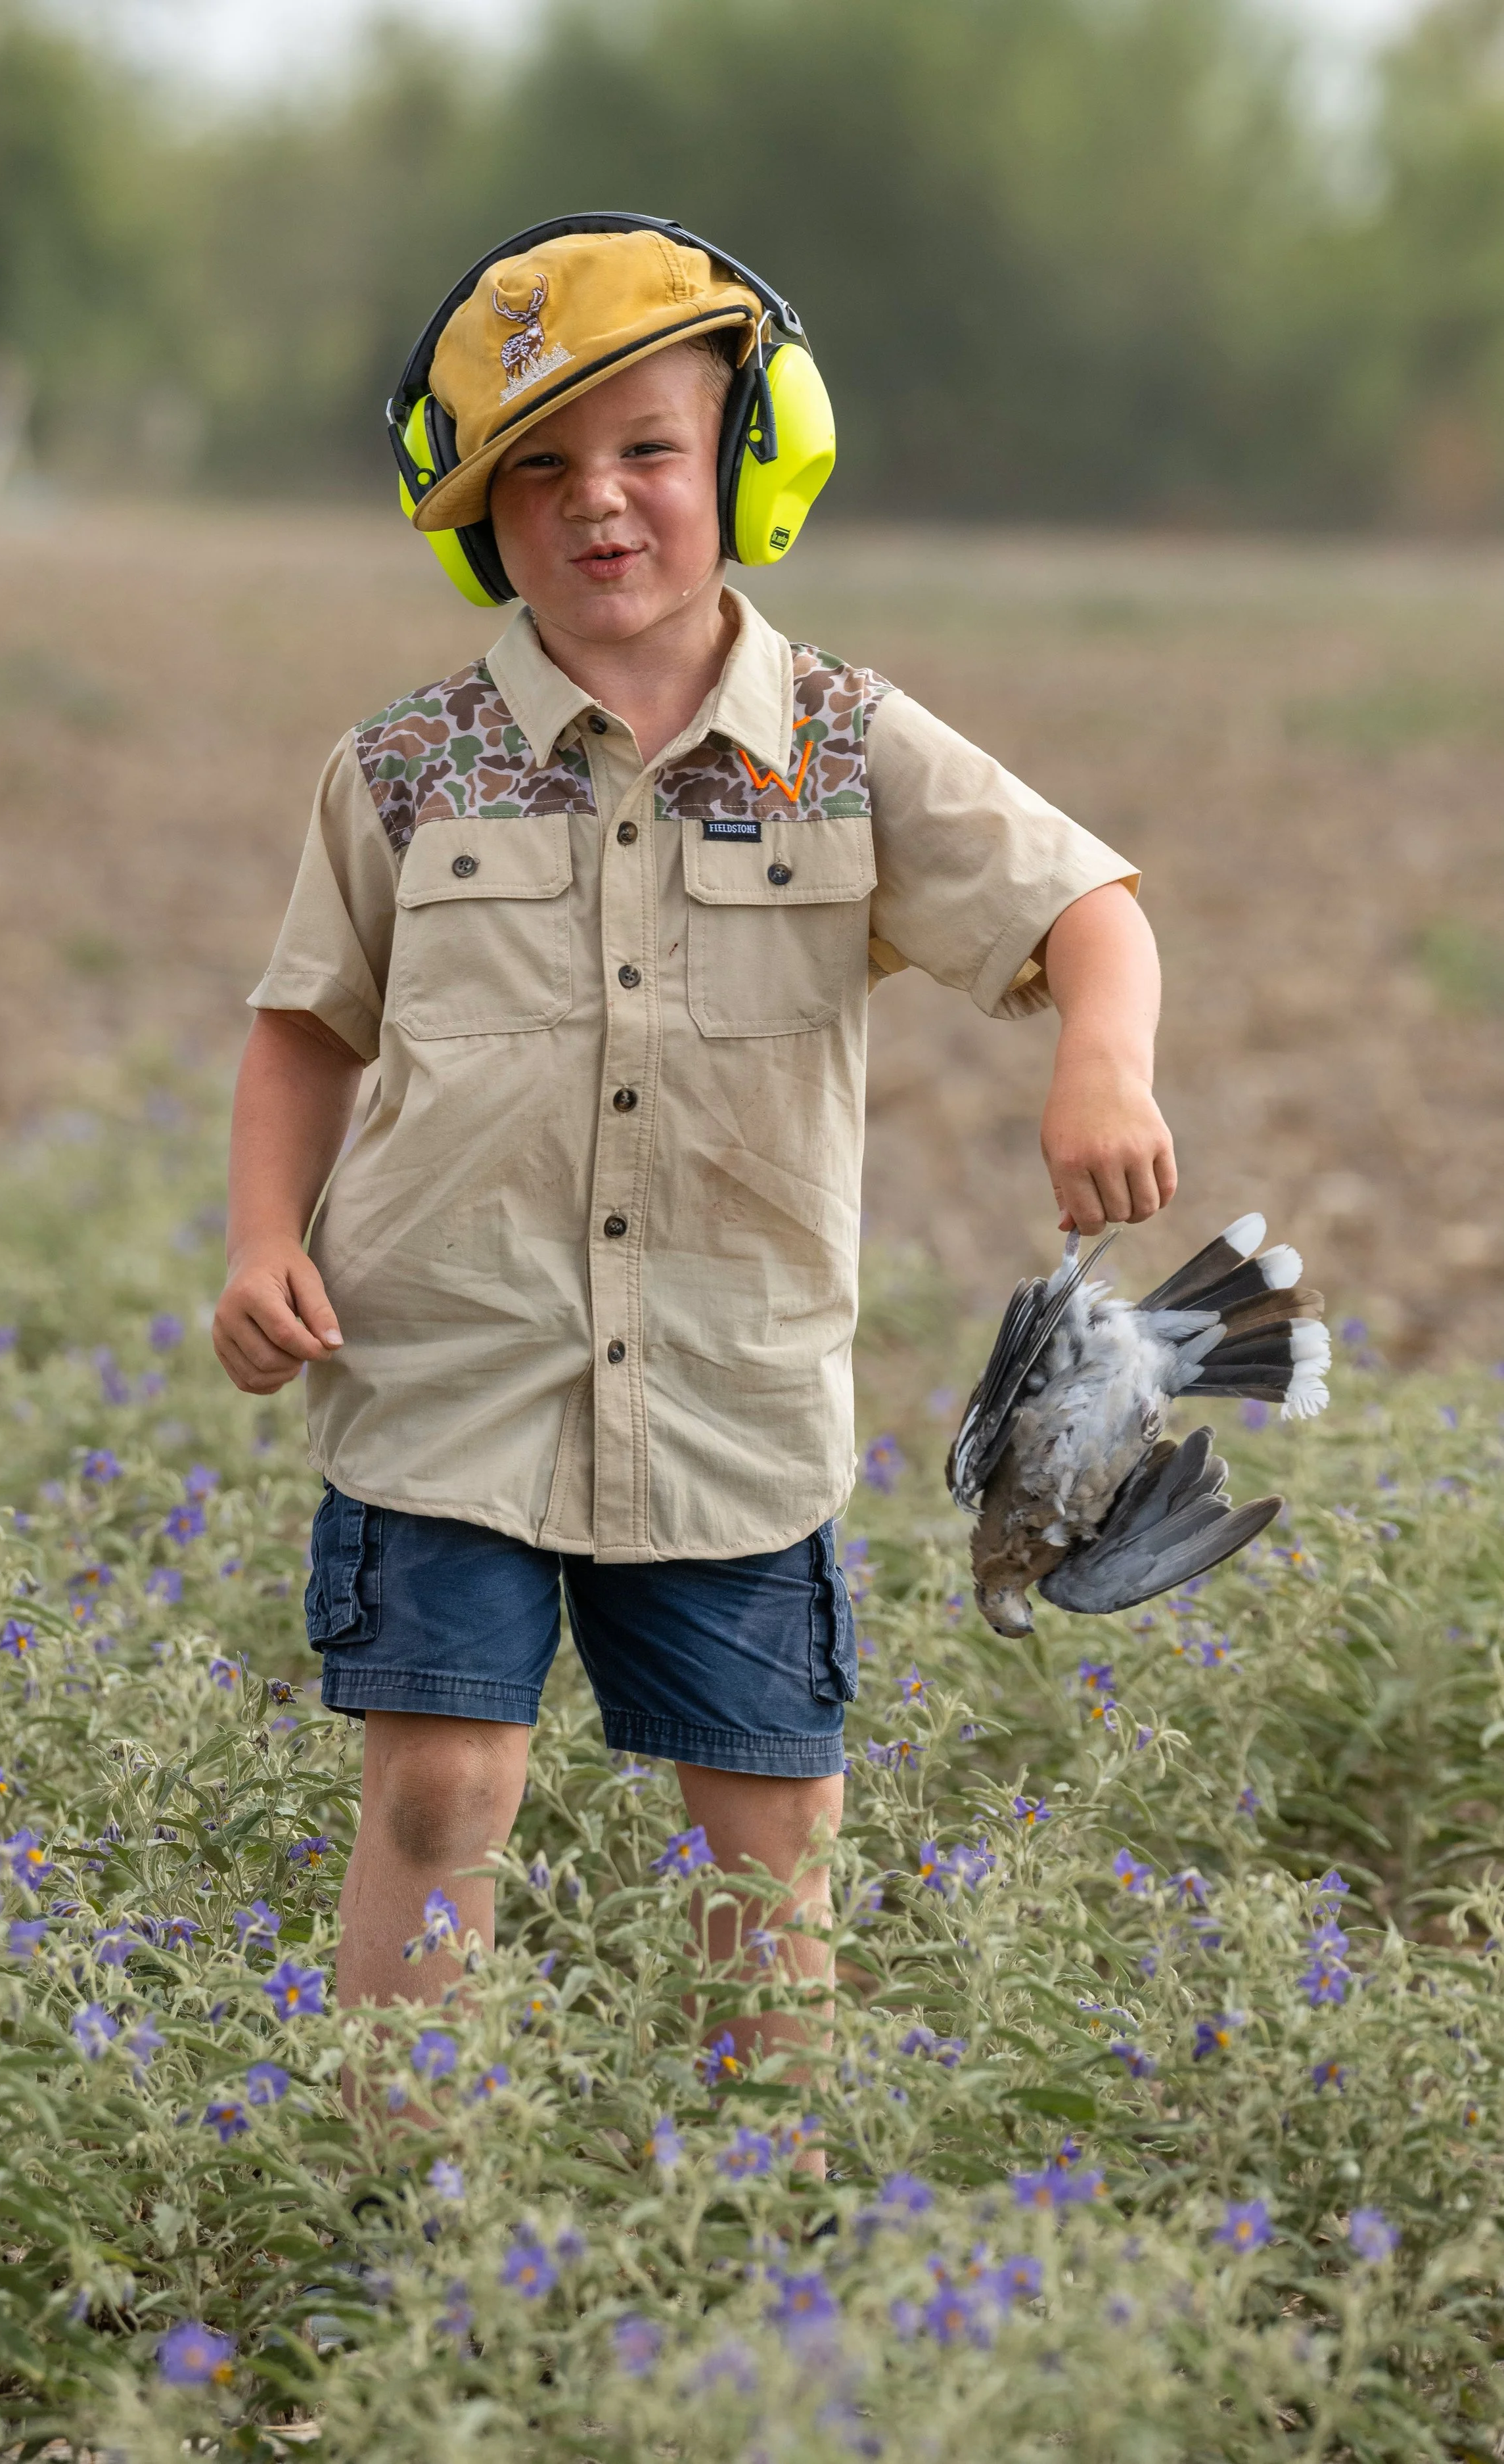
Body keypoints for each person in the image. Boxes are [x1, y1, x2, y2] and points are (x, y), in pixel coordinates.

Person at [213, 220, 1175, 2122]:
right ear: (472, 512)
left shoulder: (846, 746)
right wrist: (260, 1236)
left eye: (649, 448)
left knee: (769, 1812)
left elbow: (1088, 905)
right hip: (448, 1375)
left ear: (753, 454)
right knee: (436, 1789)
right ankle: (393, 2187)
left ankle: (762, 2198)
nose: (599, 505)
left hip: (734, 1393)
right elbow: (304, 1023)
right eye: (538, 471)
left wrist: (1097, 1058)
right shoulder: (403, 765)